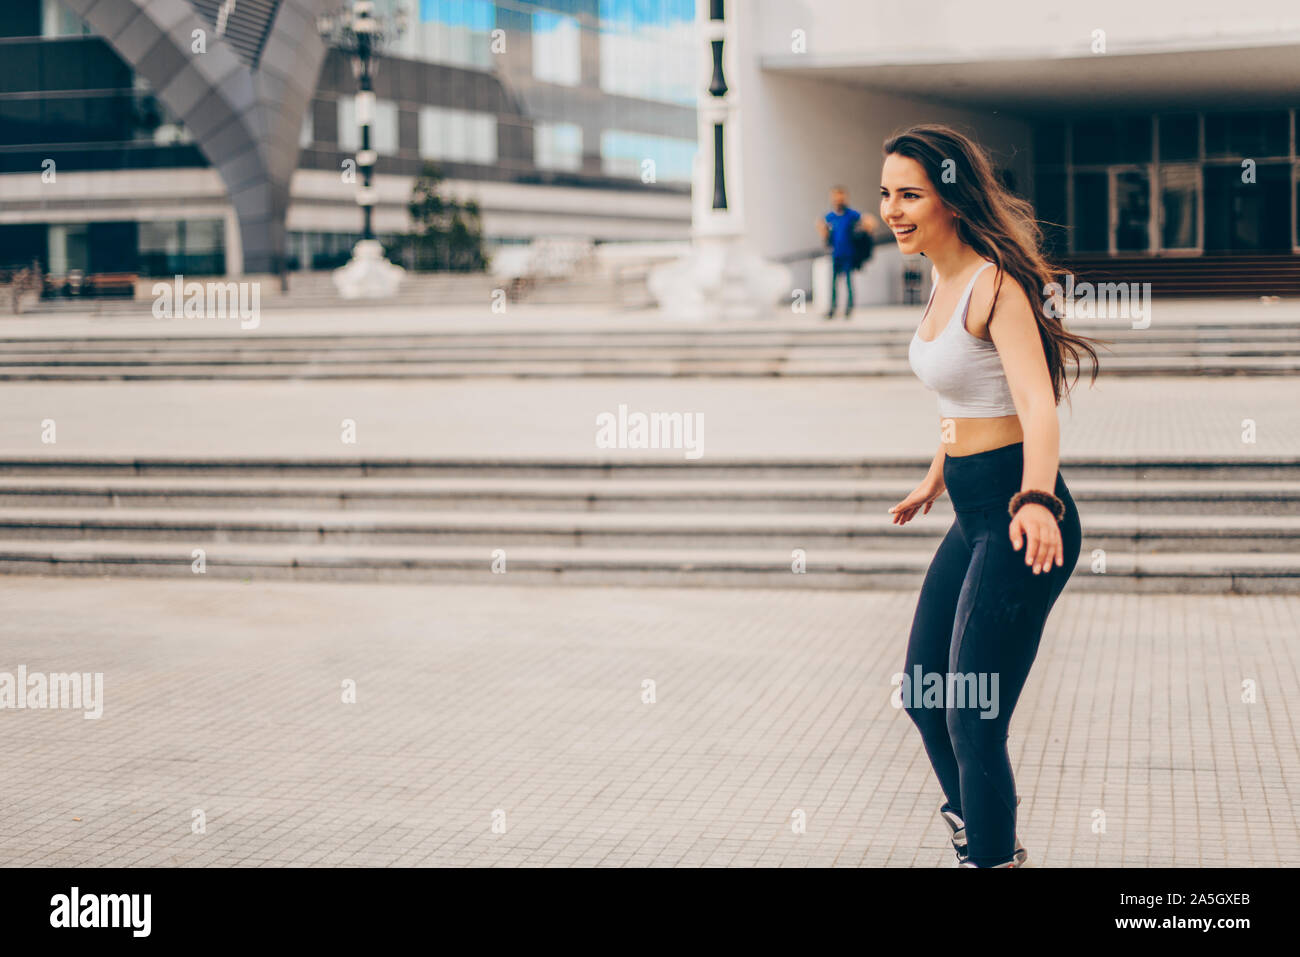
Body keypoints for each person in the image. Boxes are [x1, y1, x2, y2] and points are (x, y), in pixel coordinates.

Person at [883, 124, 1111, 868]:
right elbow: (968, 397)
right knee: (925, 694)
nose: (893, 210)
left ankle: (989, 854)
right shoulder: (941, 282)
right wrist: (936, 472)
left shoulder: (996, 286)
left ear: (951, 198)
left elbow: (1036, 404)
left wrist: (1037, 499)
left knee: (972, 715)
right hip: (971, 511)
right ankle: (987, 838)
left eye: (910, 195)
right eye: (887, 194)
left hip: (1019, 518)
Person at [819, 186, 879, 319]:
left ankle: (848, 309)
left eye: (840, 197)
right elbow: (823, 229)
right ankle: (832, 309)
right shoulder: (830, 216)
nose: (838, 200)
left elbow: (869, 221)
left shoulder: (851, 214)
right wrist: (823, 232)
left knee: (848, 282)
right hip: (836, 254)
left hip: (849, 254)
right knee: (833, 283)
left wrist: (868, 229)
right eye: (836, 197)